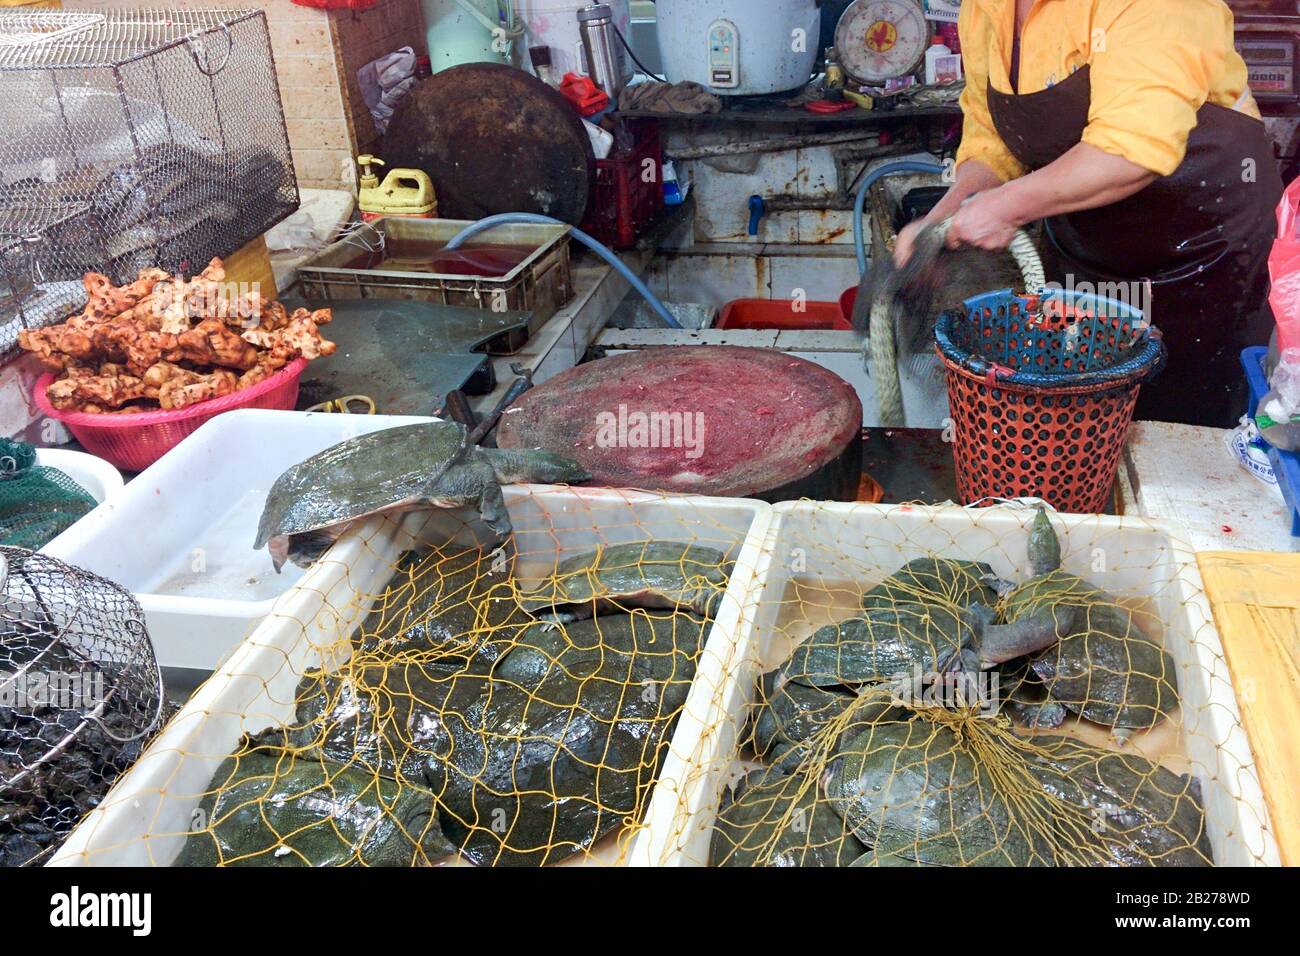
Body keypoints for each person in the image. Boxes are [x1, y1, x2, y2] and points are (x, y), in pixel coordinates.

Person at [897, 0, 1282, 427]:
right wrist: (942, 222)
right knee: (1085, 419)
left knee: (1184, 438)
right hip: (1089, 250)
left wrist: (1004, 208)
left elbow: (1130, 150)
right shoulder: (986, 7)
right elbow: (993, 138)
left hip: (1208, 254)